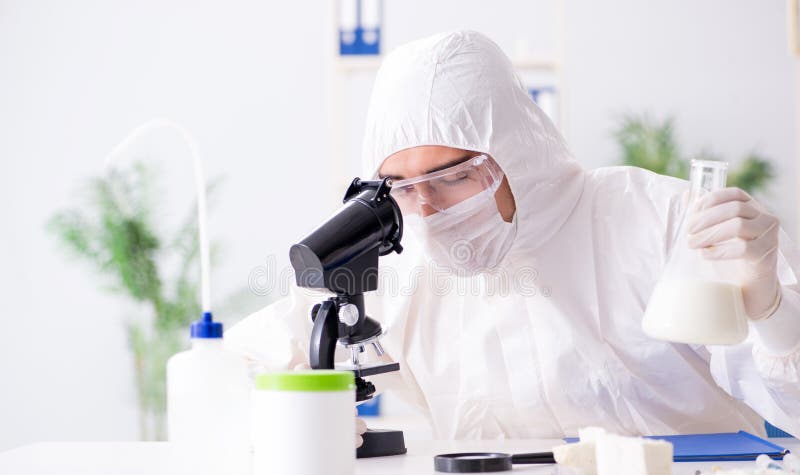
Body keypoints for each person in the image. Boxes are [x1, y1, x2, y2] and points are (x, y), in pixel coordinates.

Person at [228, 31, 800, 441]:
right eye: (399, 185)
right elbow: (255, 352)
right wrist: (293, 406)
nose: (424, 208)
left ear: (515, 156)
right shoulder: (397, 274)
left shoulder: (655, 219)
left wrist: (770, 309)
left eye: (451, 177)